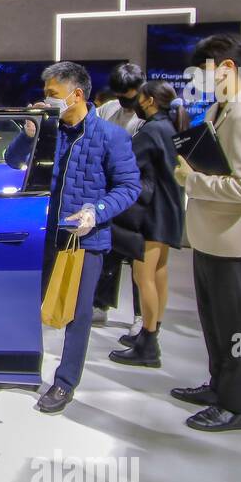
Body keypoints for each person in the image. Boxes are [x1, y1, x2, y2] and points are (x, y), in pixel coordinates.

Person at [5, 62, 140, 414]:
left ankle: (65, 383)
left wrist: (98, 209)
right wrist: (28, 133)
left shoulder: (111, 137)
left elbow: (129, 186)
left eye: (53, 95)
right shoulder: (47, 132)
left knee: (77, 315)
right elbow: (12, 160)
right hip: (41, 234)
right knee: (26, 303)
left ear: (76, 94)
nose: (47, 100)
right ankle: (21, 366)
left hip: (84, 239)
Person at [170, 35, 241, 433]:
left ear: (227, 68)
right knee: (214, 323)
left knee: (235, 329)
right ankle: (218, 387)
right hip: (212, 235)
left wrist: (192, 181)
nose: (198, 79)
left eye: (203, 71)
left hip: (235, 239)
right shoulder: (221, 108)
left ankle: (234, 407)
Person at [109, 80, 184, 367]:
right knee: (159, 274)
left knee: (144, 278)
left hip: (152, 213)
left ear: (150, 100)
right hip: (170, 209)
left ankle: (149, 342)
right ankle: (151, 332)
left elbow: (126, 162)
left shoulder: (151, 131)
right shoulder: (169, 127)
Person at [92, 62, 146, 326]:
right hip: (108, 193)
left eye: (130, 95)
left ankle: (141, 314)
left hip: (138, 196)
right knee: (108, 250)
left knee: (139, 256)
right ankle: (100, 304)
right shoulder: (108, 109)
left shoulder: (147, 117)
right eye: (121, 95)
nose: (125, 101)